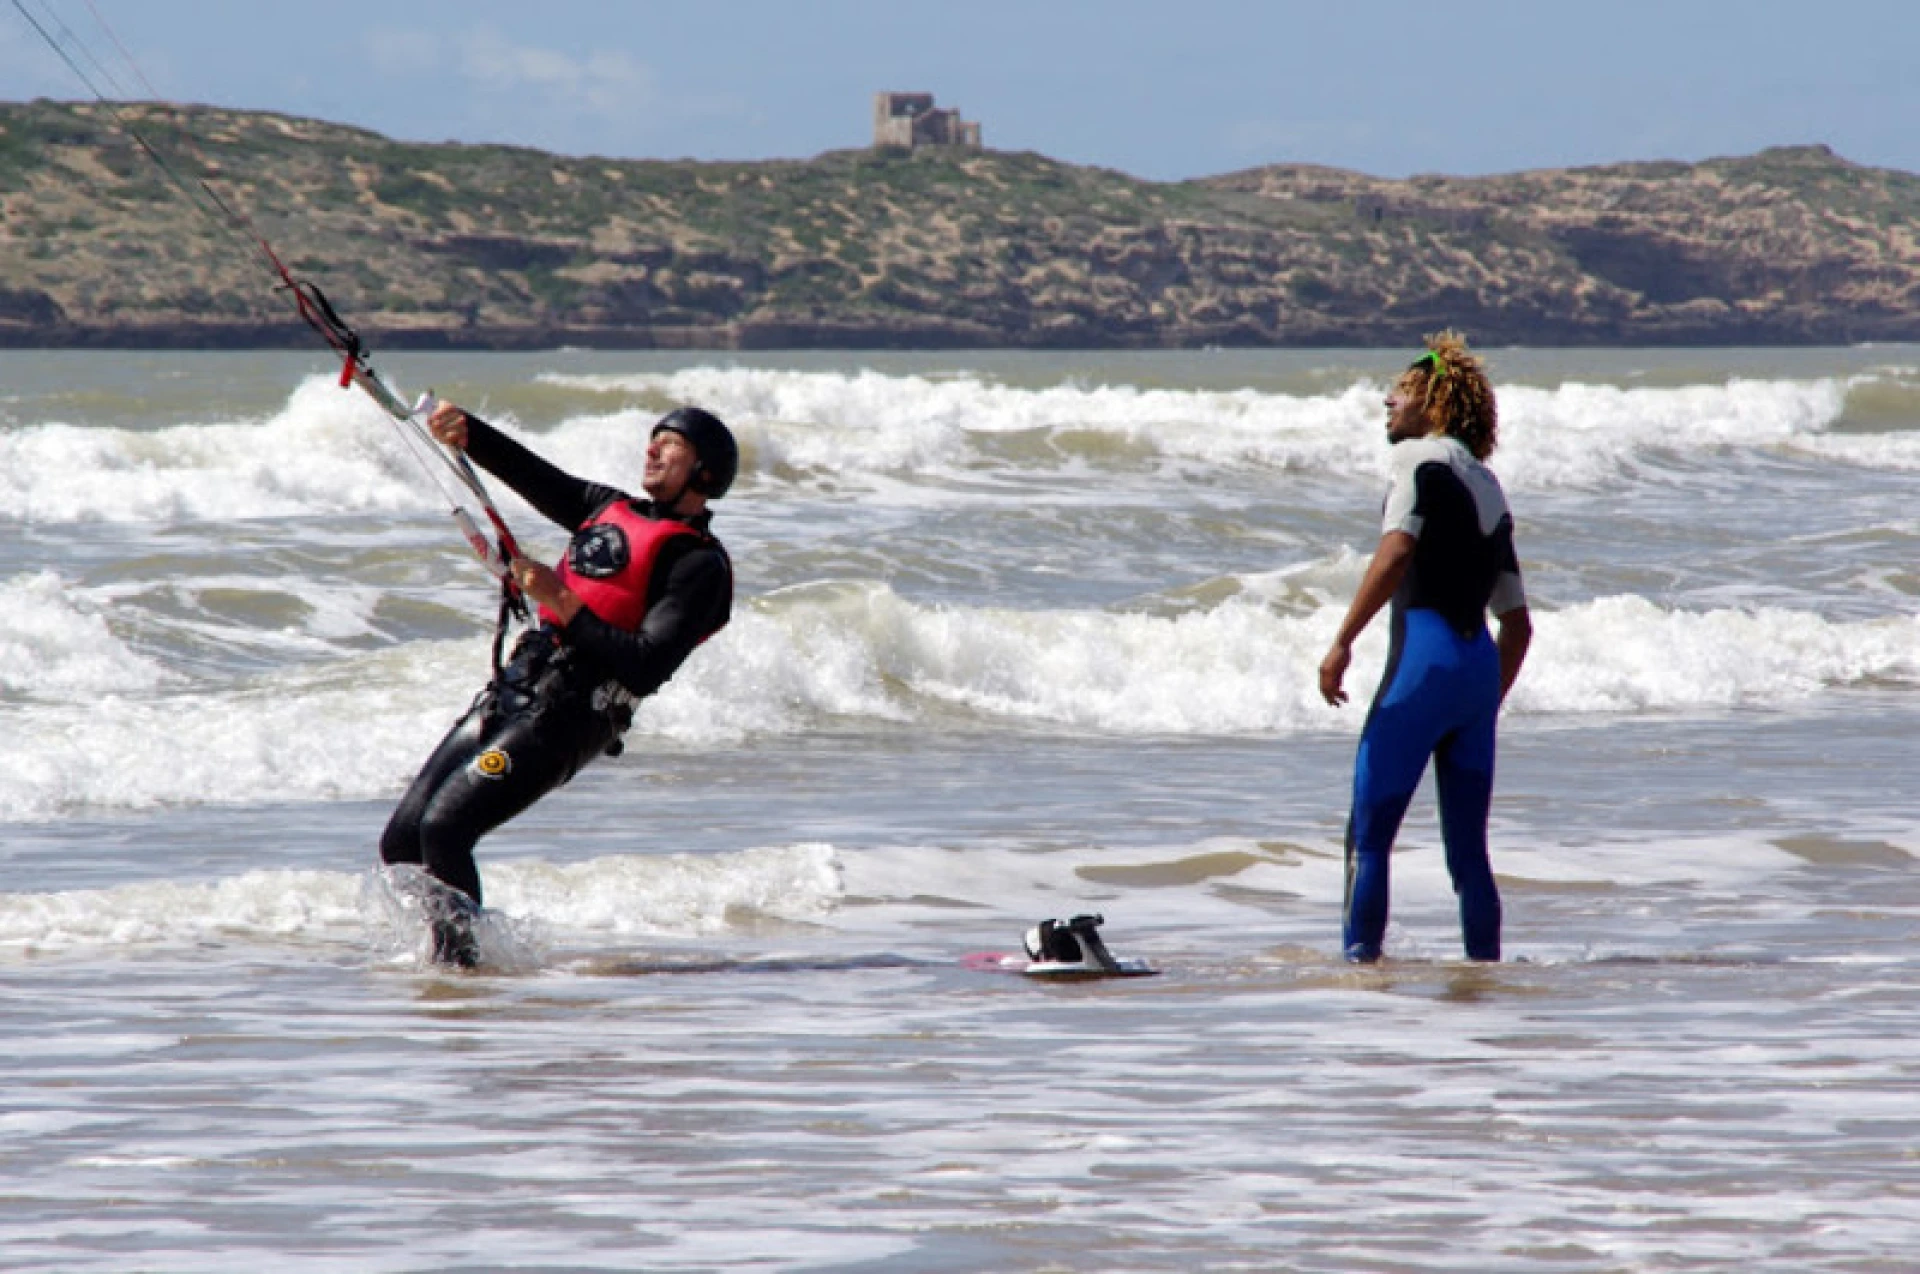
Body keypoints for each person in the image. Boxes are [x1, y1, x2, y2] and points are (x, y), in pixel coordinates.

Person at [379, 401, 738, 966]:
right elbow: (534, 475)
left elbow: (645, 665)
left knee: (446, 829)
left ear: (705, 474)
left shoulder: (698, 566)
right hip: (515, 691)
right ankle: (448, 959)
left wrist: (561, 601)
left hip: (572, 716)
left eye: (670, 445)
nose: (651, 449)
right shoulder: (606, 509)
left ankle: (461, 979)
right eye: (653, 439)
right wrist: (470, 431)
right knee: (401, 842)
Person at [1318, 332, 1531, 963]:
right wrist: (1484, 700)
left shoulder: (1413, 464)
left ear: (1435, 402)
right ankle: (1485, 977)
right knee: (1468, 855)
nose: (1387, 401)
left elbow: (1395, 553)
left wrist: (1341, 642)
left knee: (1369, 838)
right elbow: (1517, 622)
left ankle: (1360, 972)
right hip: (1474, 675)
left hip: (1422, 669)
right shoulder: (1490, 485)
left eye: (1403, 391)